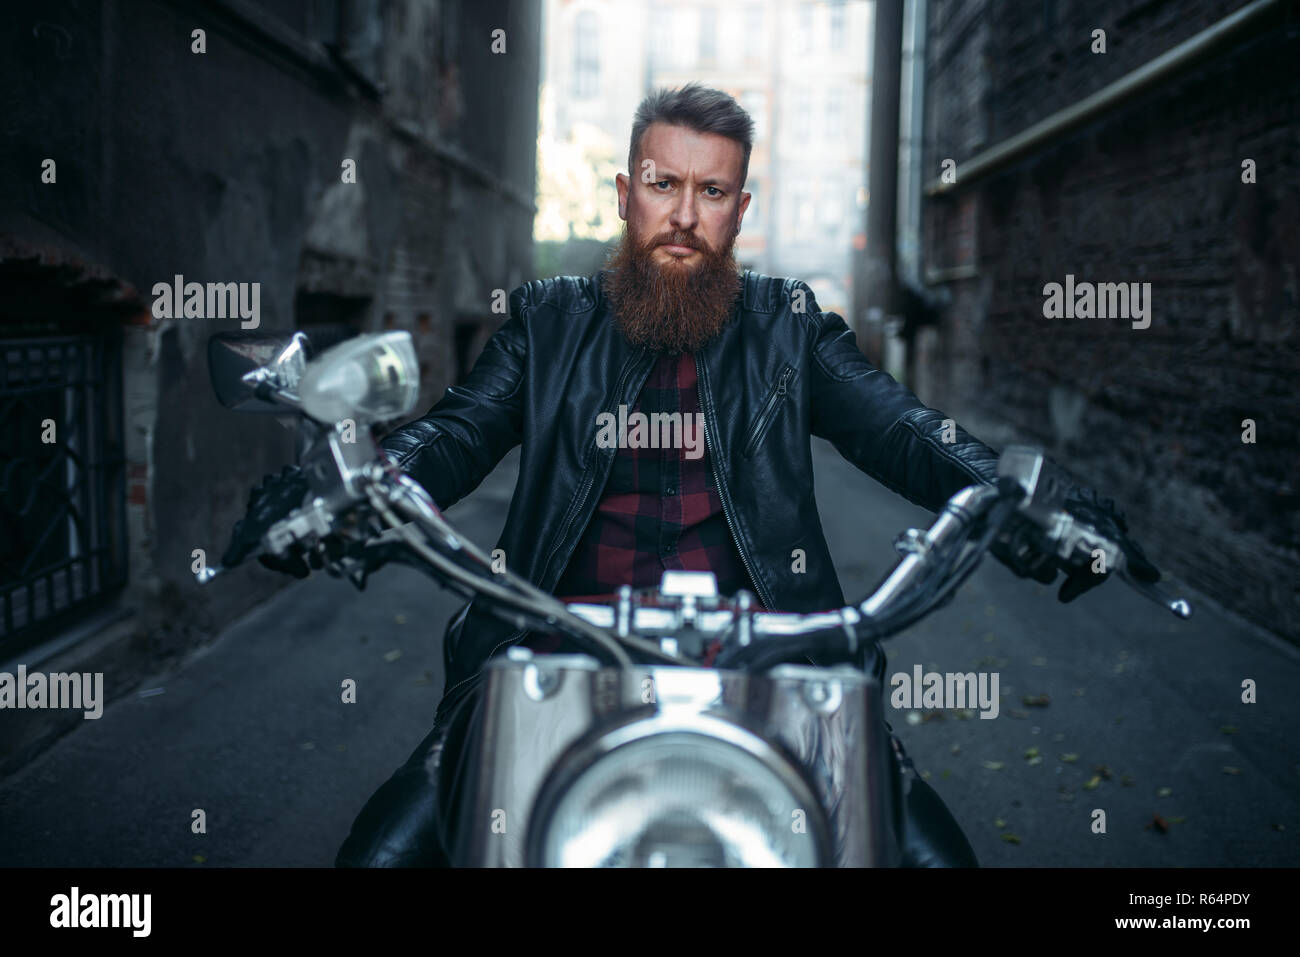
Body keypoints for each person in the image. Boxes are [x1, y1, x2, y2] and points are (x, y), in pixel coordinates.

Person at [225, 83, 1159, 867]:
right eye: (664, 184)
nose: (683, 214)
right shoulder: (548, 321)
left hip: (780, 658)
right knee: (381, 855)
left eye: (712, 192)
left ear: (740, 210)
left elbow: (906, 428)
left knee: (933, 859)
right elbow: (459, 429)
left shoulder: (790, 324)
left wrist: (1027, 498)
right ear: (625, 193)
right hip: (547, 651)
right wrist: (352, 484)